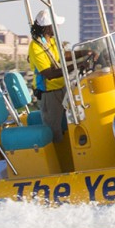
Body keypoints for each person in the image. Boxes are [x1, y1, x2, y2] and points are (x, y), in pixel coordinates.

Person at [28, 10, 68, 143]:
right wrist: (74, 66)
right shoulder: (35, 47)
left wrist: (83, 53)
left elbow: (63, 55)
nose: (58, 27)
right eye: (55, 24)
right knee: (53, 131)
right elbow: (49, 74)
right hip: (49, 94)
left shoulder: (51, 41)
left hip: (62, 89)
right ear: (47, 27)